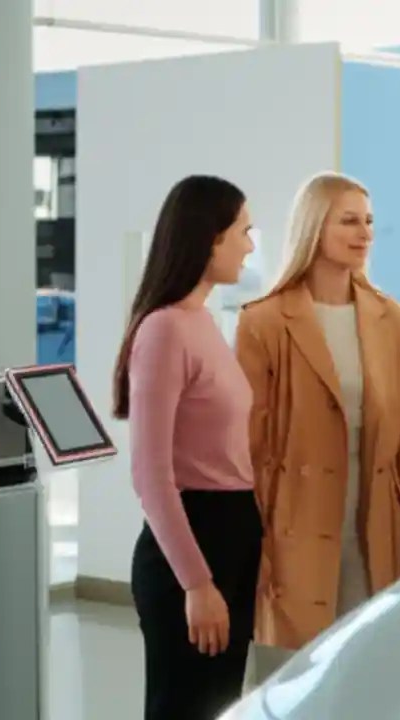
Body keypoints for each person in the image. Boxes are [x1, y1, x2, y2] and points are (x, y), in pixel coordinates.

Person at [234, 172, 400, 680]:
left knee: (370, 676)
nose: (364, 232)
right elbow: (247, 452)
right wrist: (251, 552)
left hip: (376, 530)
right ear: (313, 228)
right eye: (349, 220)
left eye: (369, 221)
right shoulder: (262, 322)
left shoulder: (394, 321)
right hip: (292, 532)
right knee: (295, 682)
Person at [113, 175, 260, 720]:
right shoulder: (165, 330)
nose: (250, 245)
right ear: (210, 238)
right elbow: (151, 476)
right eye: (244, 231)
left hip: (233, 533)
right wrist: (197, 584)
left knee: (218, 706)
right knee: (184, 708)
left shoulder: (203, 322)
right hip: (195, 543)